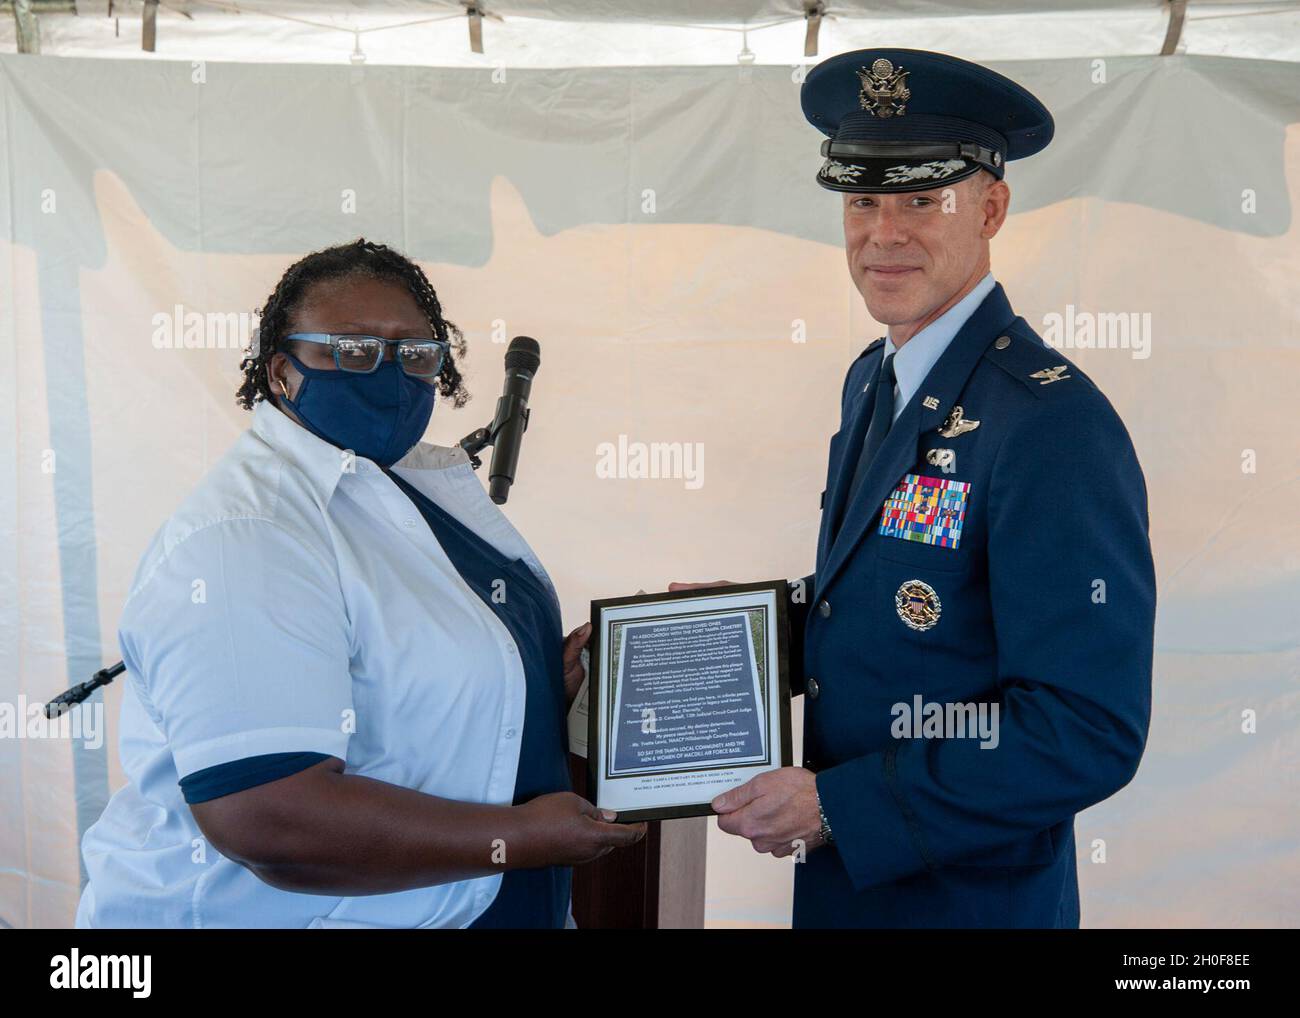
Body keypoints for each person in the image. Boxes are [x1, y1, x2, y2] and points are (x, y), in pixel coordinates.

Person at [674, 49, 1156, 928]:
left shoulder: (1051, 424)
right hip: (848, 895)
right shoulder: (874, 379)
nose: (884, 234)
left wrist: (838, 809)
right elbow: (904, 600)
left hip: (969, 902)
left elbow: (1086, 728)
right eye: (863, 200)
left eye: (922, 200)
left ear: (993, 208)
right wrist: (752, 628)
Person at [77, 239, 644, 929]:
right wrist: (522, 839)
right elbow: (272, 820)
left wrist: (531, 688)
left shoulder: (409, 489)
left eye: (414, 354)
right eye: (350, 350)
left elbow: (406, 685)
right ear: (281, 370)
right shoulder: (246, 537)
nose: (386, 372)